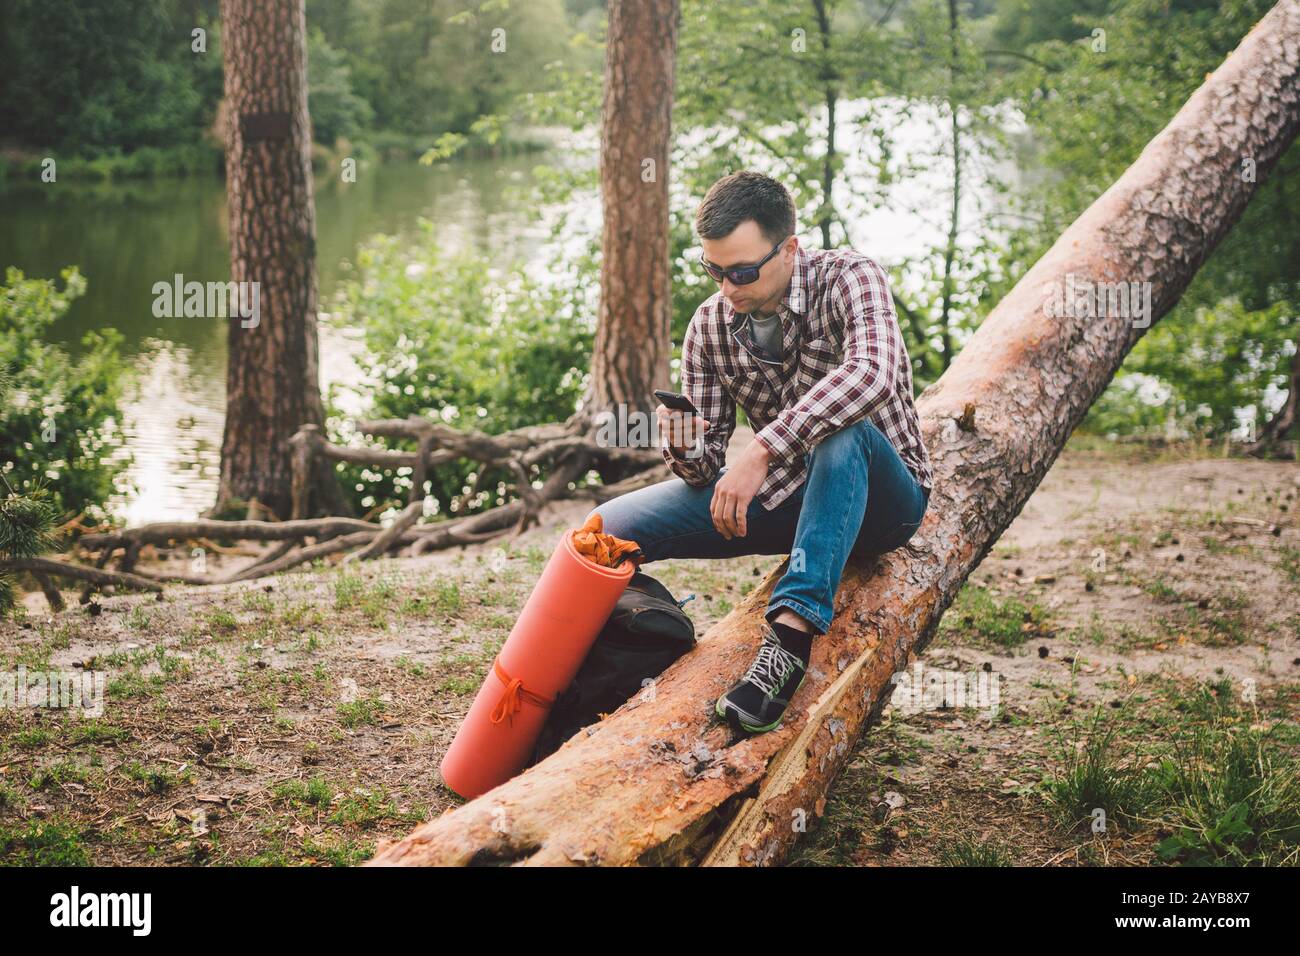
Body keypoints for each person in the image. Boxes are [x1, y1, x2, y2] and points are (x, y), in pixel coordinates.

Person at [588, 170, 933, 734]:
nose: (729, 287)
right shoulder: (709, 326)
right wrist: (680, 439)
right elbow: (702, 469)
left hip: (882, 500)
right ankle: (644, 649)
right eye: (714, 270)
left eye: (743, 271)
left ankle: (788, 646)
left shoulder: (852, 277)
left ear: (790, 248)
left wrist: (764, 449)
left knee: (841, 432)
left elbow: (872, 374)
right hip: (791, 500)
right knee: (605, 530)